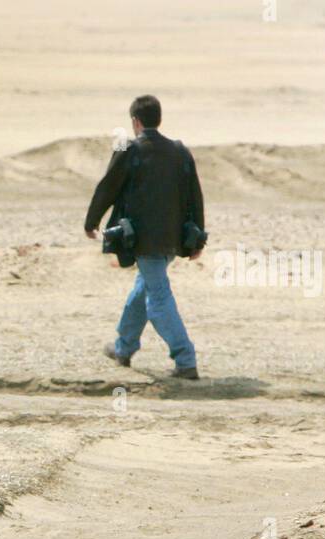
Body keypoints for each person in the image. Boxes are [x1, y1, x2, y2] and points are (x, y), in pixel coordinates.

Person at [84, 95, 205, 379]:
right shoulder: (179, 151)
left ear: (136, 121)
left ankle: (185, 360)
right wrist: (198, 238)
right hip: (174, 239)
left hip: (144, 240)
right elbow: (194, 196)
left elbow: (108, 188)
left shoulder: (129, 148)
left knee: (158, 299)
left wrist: (92, 221)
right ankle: (123, 348)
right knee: (143, 290)